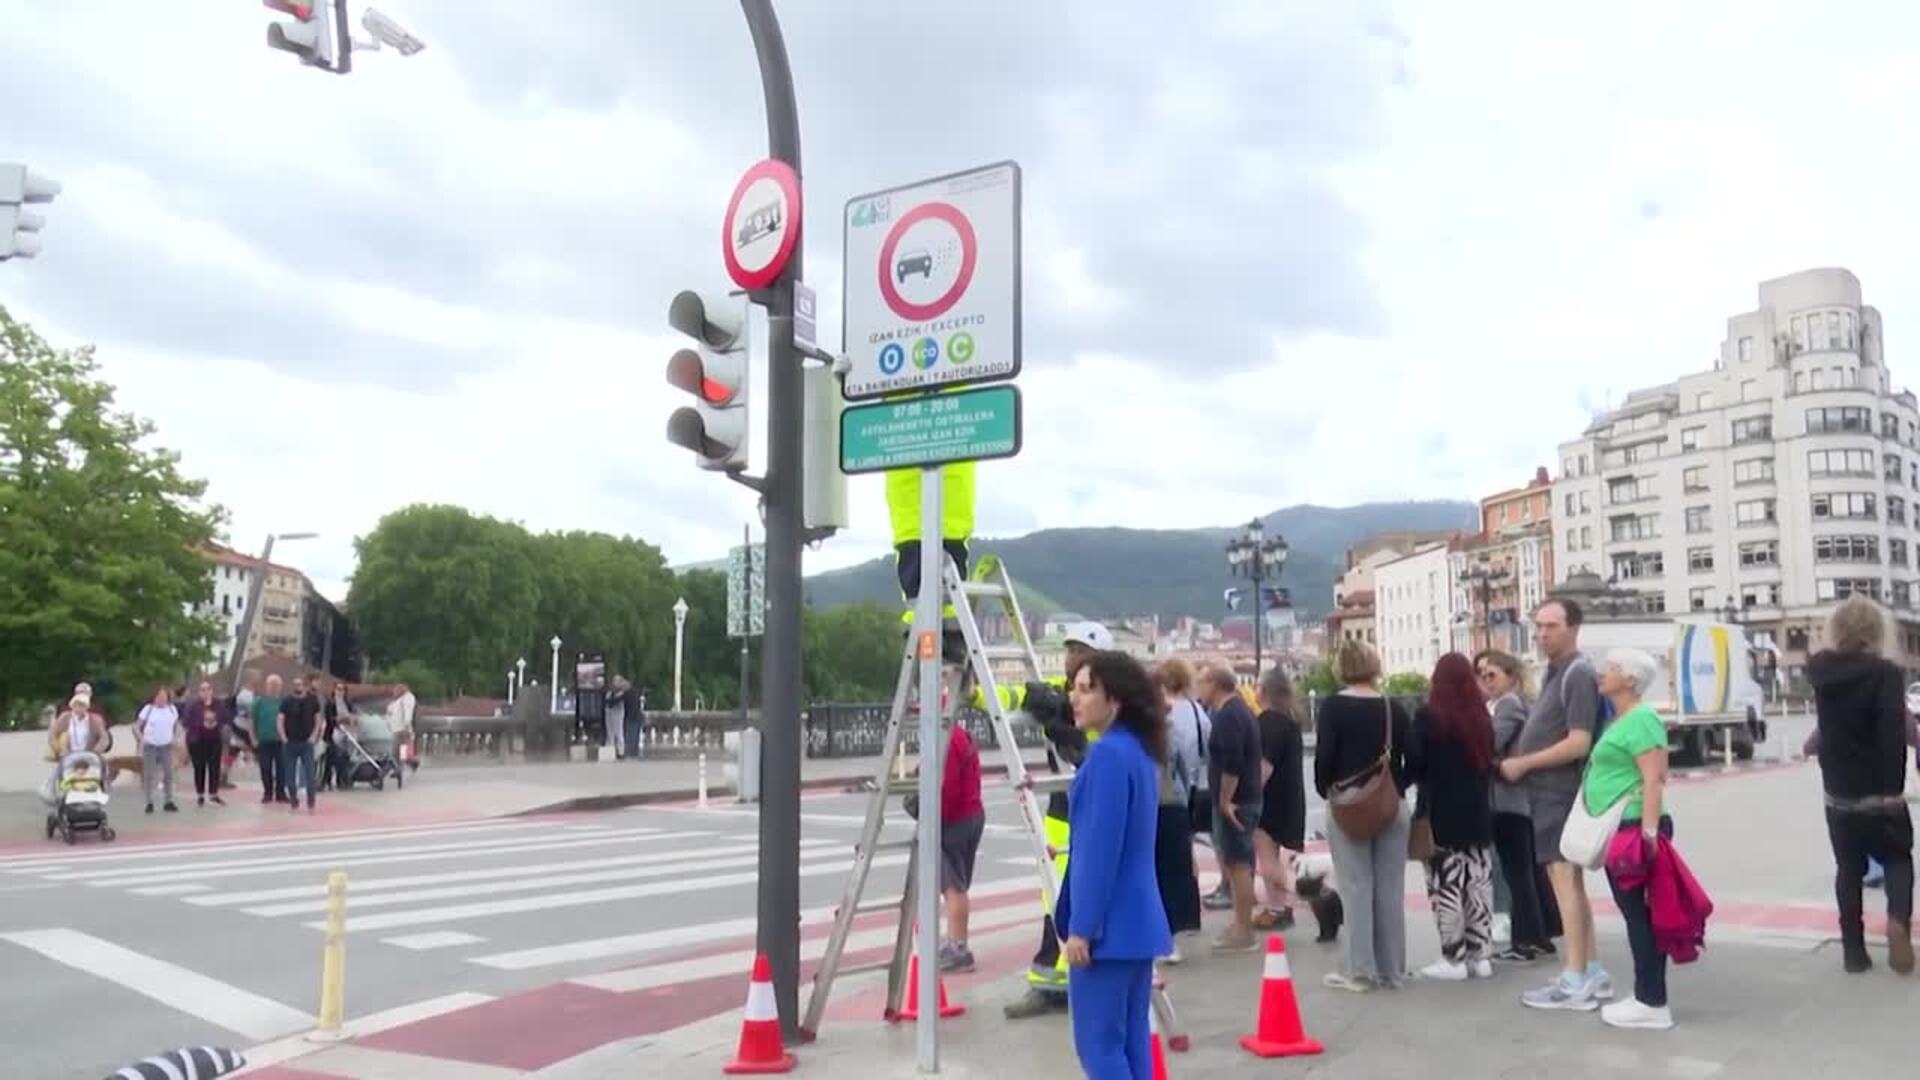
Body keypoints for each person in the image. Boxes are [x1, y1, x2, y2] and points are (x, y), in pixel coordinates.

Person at [1057, 651, 1173, 1079]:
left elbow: (1097, 853)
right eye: (1075, 687)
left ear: (1115, 700)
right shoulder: (1139, 753)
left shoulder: (1106, 757)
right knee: (1132, 1044)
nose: (1075, 697)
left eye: (1087, 689)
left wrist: (1081, 928)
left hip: (1108, 930)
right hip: (1138, 924)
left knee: (1100, 1049)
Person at [1501, 599, 1612, 1010]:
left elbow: (1579, 741)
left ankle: (1574, 978)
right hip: (1548, 794)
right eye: (1539, 626)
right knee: (1571, 885)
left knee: (1565, 883)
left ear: (1574, 627)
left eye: (1552, 625)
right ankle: (1590, 970)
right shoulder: (1558, 672)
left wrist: (1523, 762)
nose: (1543, 633)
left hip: (1557, 793)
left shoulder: (1578, 674)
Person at [999, 621, 1110, 1020]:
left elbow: (1089, 746)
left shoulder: (1105, 701)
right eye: (1067, 650)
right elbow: (1034, 700)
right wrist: (984, 695)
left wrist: (1058, 725)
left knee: (1081, 898)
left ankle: (1072, 981)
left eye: (1077, 649)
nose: (1069, 657)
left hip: (1091, 807)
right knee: (1054, 897)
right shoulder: (1068, 694)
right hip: (1062, 812)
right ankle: (1052, 982)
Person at [1807, 595, 1915, 975]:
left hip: (1838, 794)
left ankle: (1854, 951)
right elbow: (1890, 730)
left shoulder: (1819, 671)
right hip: (1880, 793)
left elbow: (1828, 728)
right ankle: (1898, 921)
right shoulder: (1885, 673)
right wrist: (1893, 786)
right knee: (1898, 859)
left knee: (1848, 868)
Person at [1314, 639, 1416, 992]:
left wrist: (1327, 789)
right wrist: (1395, 786)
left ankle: (1359, 970)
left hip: (1349, 806)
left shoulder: (1332, 707)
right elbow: (1413, 759)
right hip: (1391, 805)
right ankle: (1392, 971)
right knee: (1390, 888)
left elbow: (1324, 758)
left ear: (1341, 667)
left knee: (1356, 887)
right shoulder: (1395, 708)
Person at [1587, 648, 1679, 1029]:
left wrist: (1649, 832)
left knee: (1639, 915)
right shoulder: (1624, 718)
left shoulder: (1641, 718)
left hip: (1635, 827)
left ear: (1630, 679)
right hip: (1623, 827)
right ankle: (1647, 994)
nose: (1602, 674)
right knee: (1636, 914)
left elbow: (1654, 778)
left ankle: (1652, 1002)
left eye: (1611, 669)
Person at [1413, 653, 1496, 981]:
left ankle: (1454, 958)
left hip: (1440, 815)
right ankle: (1481, 956)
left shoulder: (1428, 717)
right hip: (1478, 813)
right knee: (1478, 884)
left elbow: (1416, 763)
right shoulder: (1482, 717)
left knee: (1445, 886)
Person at [1478, 648, 1561, 963]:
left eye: (1492, 675)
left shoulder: (1509, 705)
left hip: (1508, 798)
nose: (1486, 681)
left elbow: (1492, 744)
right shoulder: (1513, 703)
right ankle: (1541, 933)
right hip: (1517, 798)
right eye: (1483, 675)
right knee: (1529, 869)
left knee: (1517, 872)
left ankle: (1525, 940)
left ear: (1510, 677)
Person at [1197, 664, 1264, 952]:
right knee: (1239, 863)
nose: (1199, 688)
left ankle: (1243, 930)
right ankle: (1240, 924)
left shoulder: (1228, 716)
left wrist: (1225, 800)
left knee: (1237, 865)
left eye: (1201, 682)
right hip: (1247, 796)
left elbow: (1231, 763)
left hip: (1236, 802)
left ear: (1214, 683)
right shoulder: (1240, 711)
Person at [1150, 663, 1203, 963]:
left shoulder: (1144, 731)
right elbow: (1188, 767)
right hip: (1174, 803)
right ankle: (1169, 937)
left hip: (1156, 806)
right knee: (1171, 871)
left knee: (1157, 872)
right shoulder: (1174, 728)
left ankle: (1163, 939)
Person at [1159, 659, 1217, 910]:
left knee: (1177, 853)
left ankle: (1180, 908)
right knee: (1191, 849)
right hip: (1201, 787)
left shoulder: (1164, 712)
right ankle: (1191, 905)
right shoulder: (1198, 711)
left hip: (1174, 789)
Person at [1253, 667, 1307, 932]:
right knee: (1272, 855)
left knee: (1267, 855)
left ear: (1264, 691)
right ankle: (1278, 907)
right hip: (1289, 796)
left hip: (1269, 800)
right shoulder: (1289, 721)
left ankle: (1306, 895)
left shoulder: (1268, 723)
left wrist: (1248, 797)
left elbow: (1263, 767)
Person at [938, 716, 987, 974]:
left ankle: (957, 948)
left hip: (954, 818)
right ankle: (958, 942)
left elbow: (947, 787)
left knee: (952, 885)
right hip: (972, 813)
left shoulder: (945, 739)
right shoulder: (962, 734)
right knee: (960, 882)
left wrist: (934, 817)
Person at [135, 685, 181, 814]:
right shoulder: (148, 709)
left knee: (169, 774)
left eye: (164, 696)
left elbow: (176, 725)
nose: (161, 699)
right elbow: (137, 726)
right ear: (154, 698)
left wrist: (175, 738)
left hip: (166, 746)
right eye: (159, 696)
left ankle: (168, 801)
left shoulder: (172, 710)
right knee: (149, 774)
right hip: (151, 746)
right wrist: (141, 738)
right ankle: (149, 801)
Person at [181, 681, 228, 807]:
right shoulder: (193, 705)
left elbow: (225, 718)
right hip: (197, 741)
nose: (206, 692)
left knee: (214, 767)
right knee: (199, 767)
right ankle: (200, 794)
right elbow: (186, 722)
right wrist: (201, 722)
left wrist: (215, 720)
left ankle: (214, 794)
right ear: (199, 692)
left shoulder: (218, 704)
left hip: (214, 740)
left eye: (208, 689)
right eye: (203, 689)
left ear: (212, 691)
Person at [280, 676, 323, 813]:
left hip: (306, 743)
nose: (297, 687)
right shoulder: (286, 701)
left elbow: (318, 720)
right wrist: (283, 737)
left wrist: (314, 736)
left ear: (305, 686)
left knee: (310, 775)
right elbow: (280, 719)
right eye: (295, 684)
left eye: (300, 684)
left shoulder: (312, 700)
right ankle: (294, 803)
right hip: (290, 742)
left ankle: (311, 804)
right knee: (290, 777)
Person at [252, 675, 288, 804]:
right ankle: (267, 793)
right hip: (264, 740)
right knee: (265, 767)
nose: (274, 687)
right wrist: (253, 738)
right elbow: (252, 721)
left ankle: (280, 793)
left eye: (276, 685)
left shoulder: (284, 702)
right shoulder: (259, 702)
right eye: (271, 685)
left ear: (280, 687)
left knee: (282, 768)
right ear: (267, 686)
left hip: (280, 741)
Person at [322, 683, 354, 791]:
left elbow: (352, 715)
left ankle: (342, 781)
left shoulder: (347, 703)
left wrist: (350, 720)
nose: (340, 691)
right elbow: (328, 718)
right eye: (338, 689)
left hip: (345, 733)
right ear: (334, 690)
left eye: (343, 689)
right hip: (332, 734)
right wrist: (338, 719)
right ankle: (326, 781)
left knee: (344, 758)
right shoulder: (330, 703)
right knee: (330, 759)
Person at [387, 681, 418, 772]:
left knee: (400, 751)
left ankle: (400, 768)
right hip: (396, 729)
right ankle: (409, 763)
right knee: (399, 751)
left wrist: (406, 726)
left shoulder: (407, 698)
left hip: (402, 729)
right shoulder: (397, 700)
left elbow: (408, 713)